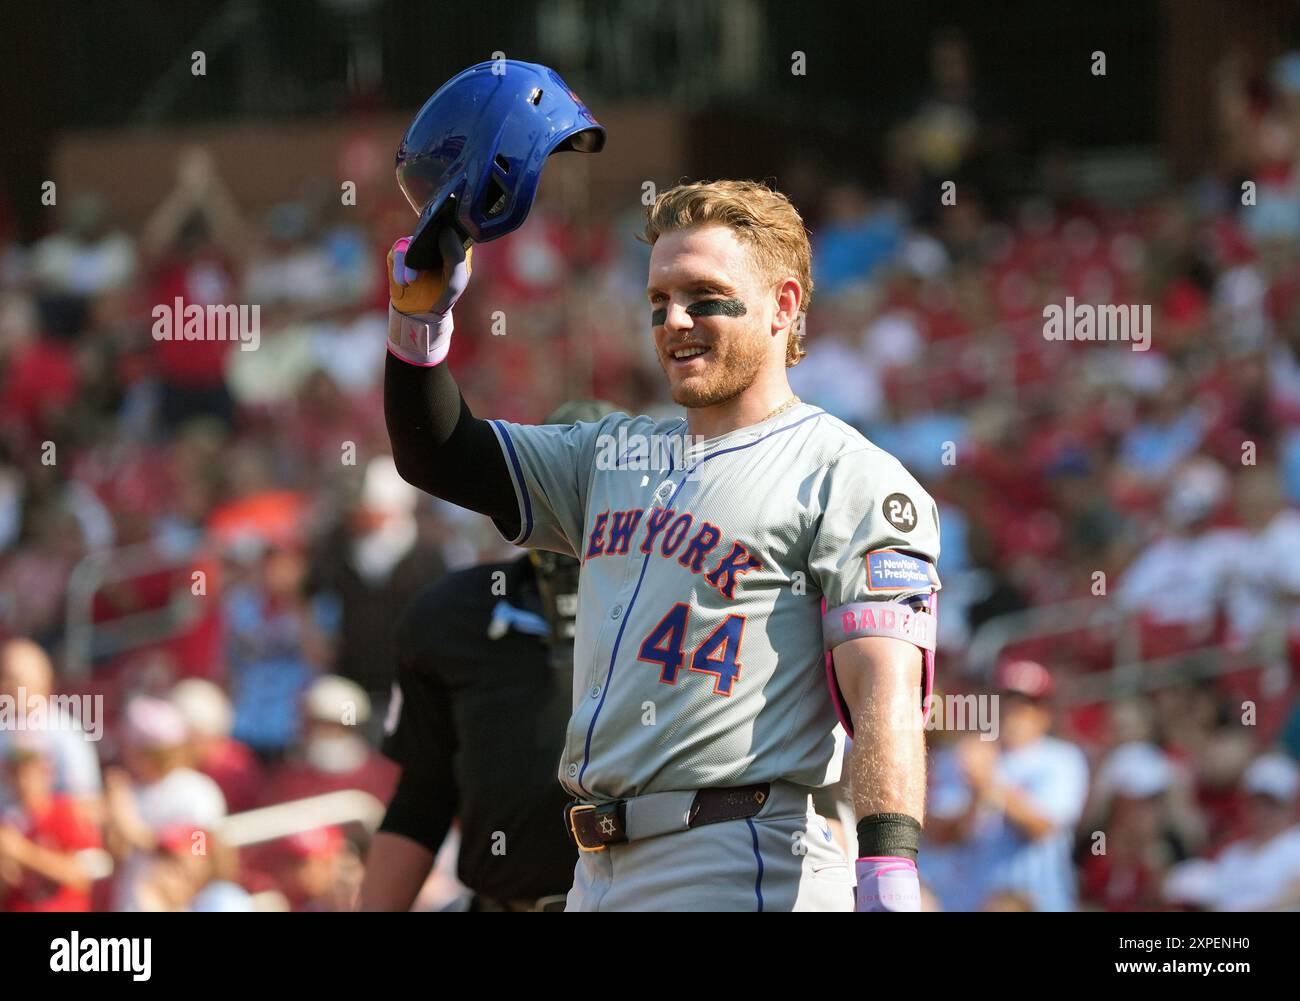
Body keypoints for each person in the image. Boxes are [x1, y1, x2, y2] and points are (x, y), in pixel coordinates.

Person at [383, 179, 942, 911]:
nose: (674, 320)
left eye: (704, 295)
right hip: (598, 869)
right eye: (658, 301)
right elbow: (439, 454)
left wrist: (888, 871)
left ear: (783, 305)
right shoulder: (609, 454)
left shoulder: (849, 474)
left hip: (741, 854)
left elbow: (885, 695)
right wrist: (418, 319)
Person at [359, 401, 616, 913]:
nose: (586, 510)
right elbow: (422, 799)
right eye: (567, 487)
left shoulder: (694, 607)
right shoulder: (455, 616)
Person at [925, 659, 1089, 911]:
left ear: (1044, 714)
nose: (1013, 712)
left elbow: (1041, 827)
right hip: (971, 901)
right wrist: (975, 796)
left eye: (1025, 705)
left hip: (1041, 902)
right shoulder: (964, 756)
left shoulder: (1062, 759)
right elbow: (939, 837)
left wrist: (988, 782)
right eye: (1005, 701)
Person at [0, 734, 101, 912]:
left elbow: (82, 876)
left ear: (46, 771)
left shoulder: (68, 813)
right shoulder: (8, 823)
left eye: (30, 771)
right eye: (15, 771)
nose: (23, 780)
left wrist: (23, 852)